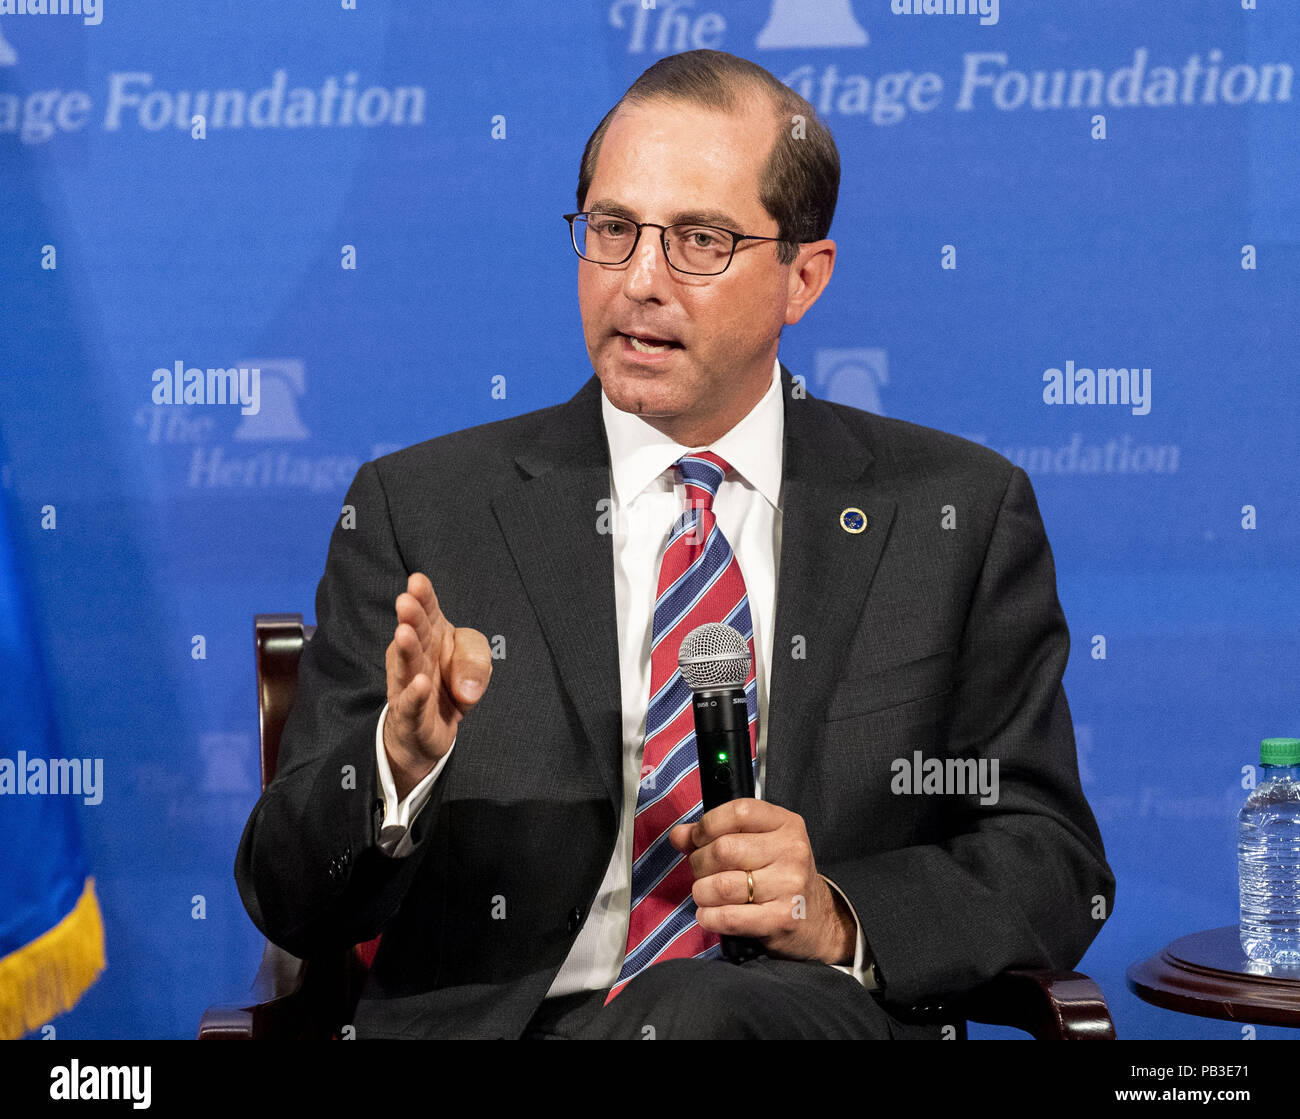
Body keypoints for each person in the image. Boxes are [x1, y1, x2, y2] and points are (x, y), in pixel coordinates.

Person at [235, 49, 1114, 1040]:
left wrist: (836, 909)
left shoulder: (952, 514)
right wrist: (396, 768)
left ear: (803, 277)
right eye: (612, 230)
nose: (640, 281)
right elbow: (287, 899)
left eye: (699, 239)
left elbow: (1050, 860)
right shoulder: (422, 510)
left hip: (797, 1023)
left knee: (697, 1013)